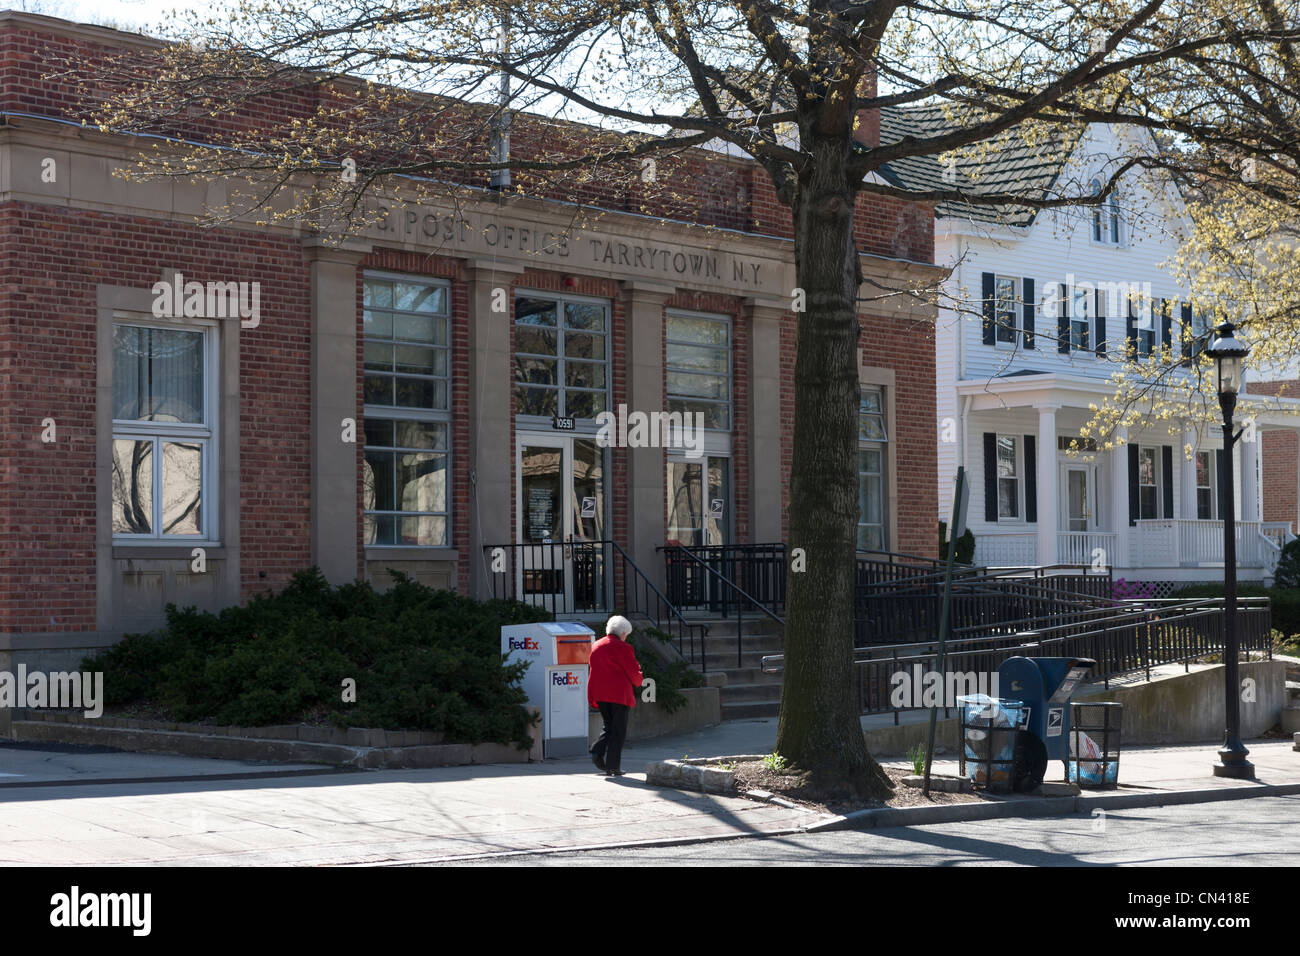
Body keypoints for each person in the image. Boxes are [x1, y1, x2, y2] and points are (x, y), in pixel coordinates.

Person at [587, 614, 644, 777]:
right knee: (618, 731)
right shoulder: (624, 648)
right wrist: (640, 678)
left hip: (601, 694)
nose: (626, 637)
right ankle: (611, 765)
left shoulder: (597, 645)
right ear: (623, 633)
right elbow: (634, 673)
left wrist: (591, 694)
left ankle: (598, 752)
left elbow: (593, 673)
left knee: (609, 726)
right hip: (620, 695)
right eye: (626, 634)